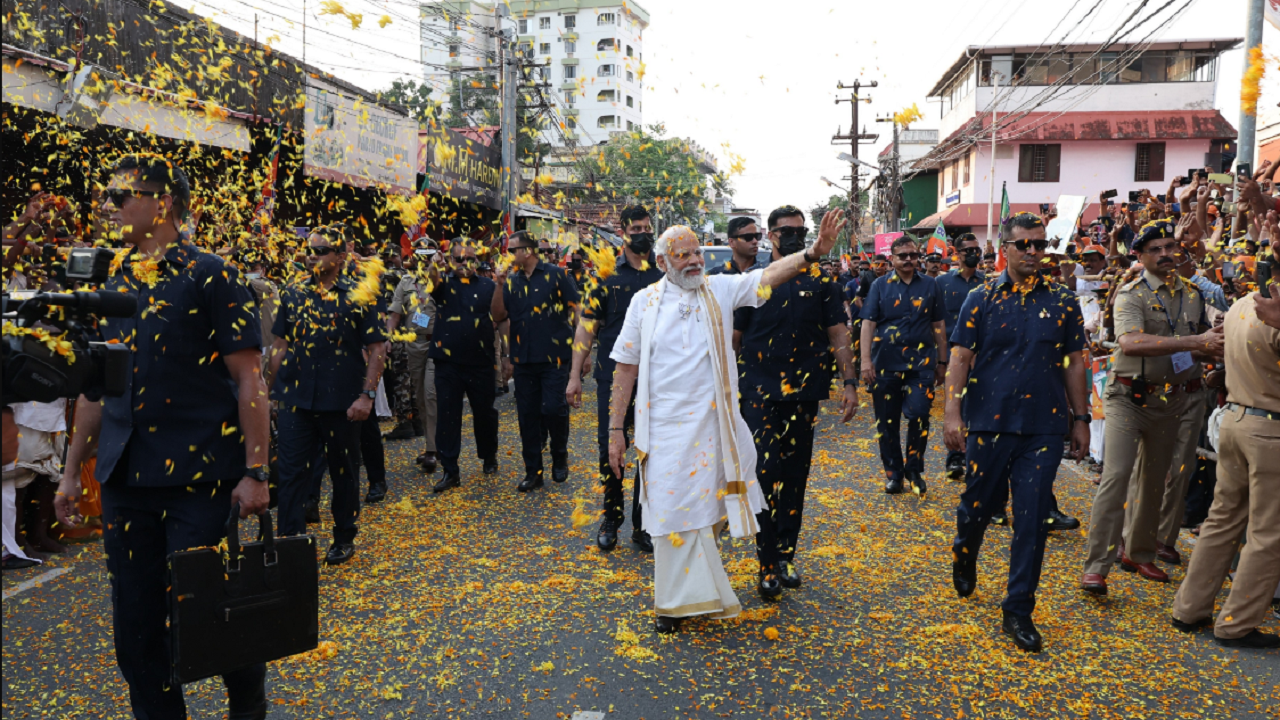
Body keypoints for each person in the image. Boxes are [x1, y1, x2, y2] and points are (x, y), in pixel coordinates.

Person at [54, 154, 271, 719]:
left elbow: (250, 378)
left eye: (120, 196)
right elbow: (97, 387)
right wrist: (71, 472)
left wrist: (256, 472)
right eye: (107, 196)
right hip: (127, 480)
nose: (109, 207)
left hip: (201, 480)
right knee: (136, 627)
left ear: (163, 202)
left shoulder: (211, 275)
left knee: (212, 613)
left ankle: (248, 703)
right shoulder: (111, 277)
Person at [607, 212, 848, 634]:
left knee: (705, 511)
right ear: (662, 262)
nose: (693, 261)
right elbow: (625, 366)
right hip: (661, 430)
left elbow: (768, 276)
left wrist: (812, 253)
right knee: (667, 511)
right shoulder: (642, 302)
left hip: (712, 427)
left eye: (696, 253)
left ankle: (694, 594)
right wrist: (615, 430)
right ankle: (672, 603)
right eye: (682, 256)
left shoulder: (718, 289)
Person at [943, 213, 1089, 653]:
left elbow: (1074, 362)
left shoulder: (1064, 301)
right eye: (1024, 244)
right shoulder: (980, 298)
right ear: (1004, 248)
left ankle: (1019, 609)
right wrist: (952, 414)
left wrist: (1081, 418)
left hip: (1043, 427)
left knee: (1032, 518)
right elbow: (960, 357)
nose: (1033, 252)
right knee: (977, 507)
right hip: (990, 421)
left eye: (1039, 244)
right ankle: (965, 552)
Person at [1081, 220, 1222, 595]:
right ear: (1140, 257)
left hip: (1170, 399)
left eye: (1170, 247)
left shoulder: (1193, 294)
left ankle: (1139, 552)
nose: (1165, 254)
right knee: (1117, 477)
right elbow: (1130, 342)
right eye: (1155, 249)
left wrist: (1212, 346)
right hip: (1128, 397)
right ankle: (1097, 566)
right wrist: (1196, 342)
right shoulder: (1131, 294)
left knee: (1155, 480)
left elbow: (1192, 344)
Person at [736, 205, 858, 599]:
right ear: (770, 235)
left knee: (794, 475)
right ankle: (767, 560)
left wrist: (850, 382)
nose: (793, 237)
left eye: (800, 232)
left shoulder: (823, 282)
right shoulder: (753, 280)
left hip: (804, 392)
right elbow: (734, 340)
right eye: (786, 231)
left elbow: (838, 333)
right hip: (758, 390)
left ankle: (785, 555)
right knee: (766, 470)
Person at [267, 225, 388, 566]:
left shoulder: (360, 294)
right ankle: (290, 543)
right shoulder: (292, 293)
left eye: (321, 251)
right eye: (309, 250)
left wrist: (367, 396)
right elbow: (279, 344)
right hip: (296, 399)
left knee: (343, 471)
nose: (312, 257)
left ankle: (344, 536)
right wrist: (267, 392)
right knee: (291, 473)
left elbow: (377, 348)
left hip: (342, 403)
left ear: (340, 256)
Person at [1170, 283, 1280, 648]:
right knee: (1268, 532)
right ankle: (1236, 625)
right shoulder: (1273, 312)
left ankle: (1188, 609)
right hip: (1270, 430)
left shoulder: (1243, 303)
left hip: (1235, 419)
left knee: (1222, 519)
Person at [566, 205, 662, 552]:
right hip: (613, 378)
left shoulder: (663, 275)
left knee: (650, 451)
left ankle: (643, 522)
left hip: (656, 380)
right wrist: (575, 375)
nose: (643, 234)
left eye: (647, 228)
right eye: (636, 229)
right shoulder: (605, 276)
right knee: (611, 446)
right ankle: (611, 517)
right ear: (623, 233)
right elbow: (586, 327)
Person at [491, 231, 580, 491]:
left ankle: (559, 454)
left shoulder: (556, 275)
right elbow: (498, 315)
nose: (508, 255)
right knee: (527, 416)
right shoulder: (511, 281)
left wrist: (581, 353)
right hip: (524, 359)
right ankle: (534, 471)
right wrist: (499, 284)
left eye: (512, 250)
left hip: (555, 358)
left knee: (553, 408)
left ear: (527, 251)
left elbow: (577, 310)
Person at [859, 235, 946, 495]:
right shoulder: (879, 286)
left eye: (913, 255)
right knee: (887, 423)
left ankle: (914, 470)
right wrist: (865, 361)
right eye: (903, 256)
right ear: (892, 259)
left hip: (921, 365)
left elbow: (938, 325)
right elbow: (868, 324)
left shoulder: (930, 285)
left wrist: (942, 361)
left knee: (920, 414)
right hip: (886, 364)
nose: (909, 260)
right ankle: (894, 474)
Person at [427, 240, 501, 492]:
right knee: (448, 415)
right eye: (458, 259)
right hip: (448, 363)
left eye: (470, 258)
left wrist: (507, 356)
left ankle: (488, 454)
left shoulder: (488, 286)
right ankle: (450, 470)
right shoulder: (443, 283)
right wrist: (434, 266)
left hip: (480, 362)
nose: (464, 263)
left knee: (484, 413)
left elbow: (500, 317)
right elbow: (432, 283)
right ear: (450, 261)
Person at [934, 233, 985, 480]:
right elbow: (936, 322)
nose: (974, 254)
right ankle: (954, 456)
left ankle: (975, 455)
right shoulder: (942, 283)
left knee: (977, 405)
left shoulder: (987, 283)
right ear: (958, 254)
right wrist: (940, 358)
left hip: (981, 356)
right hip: (953, 355)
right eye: (969, 250)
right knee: (954, 404)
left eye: (977, 250)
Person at [386, 240, 439, 474]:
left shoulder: (441, 279)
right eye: (420, 254)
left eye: (429, 255)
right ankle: (431, 444)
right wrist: (387, 338)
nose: (424, 259)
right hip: (413, 344)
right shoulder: (406, 282)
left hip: (436, 344)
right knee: (420, 397)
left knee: (430, 393)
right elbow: (395, 314)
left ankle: (433, 450)